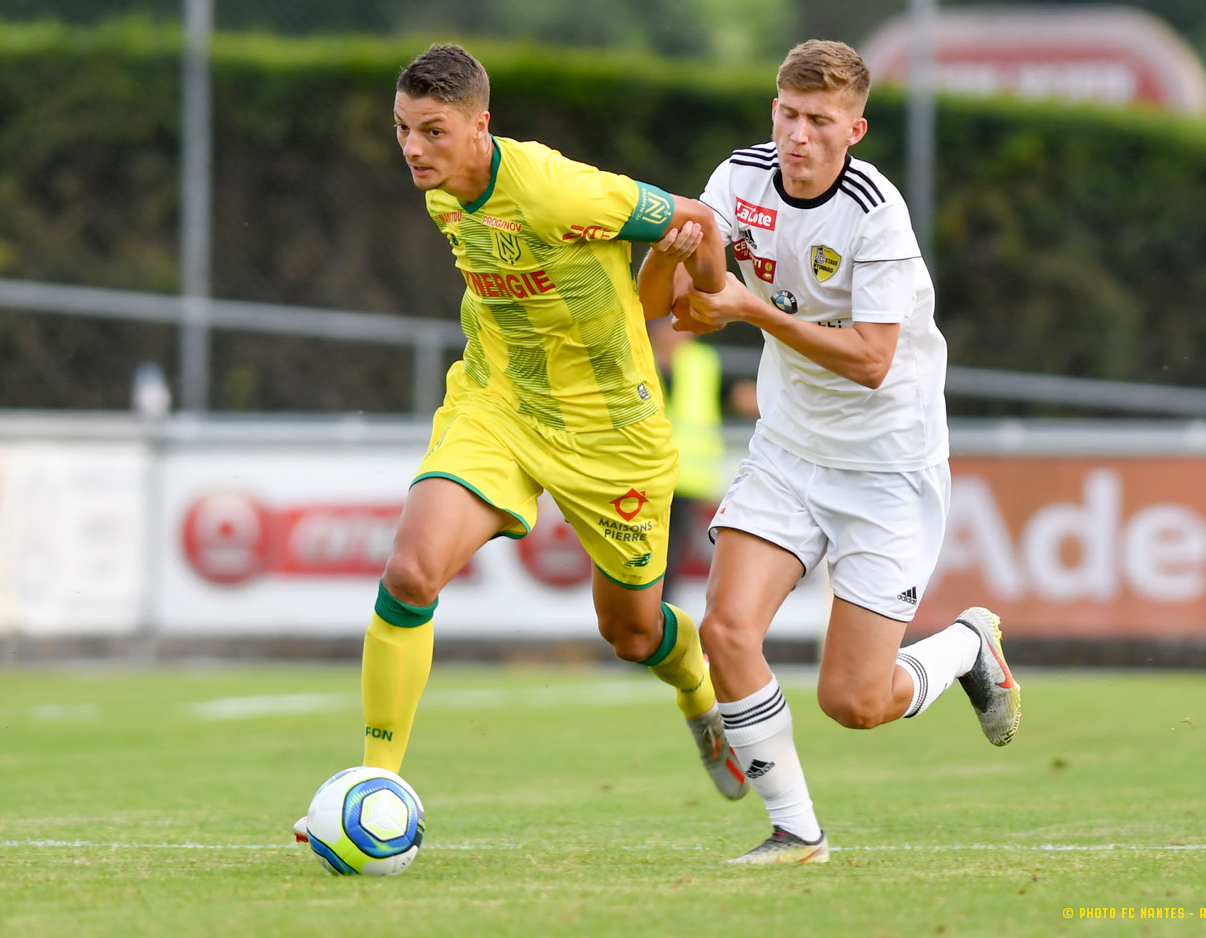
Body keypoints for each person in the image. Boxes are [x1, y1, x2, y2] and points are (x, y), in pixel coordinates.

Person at [335, 43, 749, 808]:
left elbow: (694, 220)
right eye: (403, 129)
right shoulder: (442, 192)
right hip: (499, 405)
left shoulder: (557, 191)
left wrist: (705, 289)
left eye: (432, 131)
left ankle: (696, 687)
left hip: (611, 433)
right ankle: (374, 787)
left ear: (480, 126)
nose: (413, 149)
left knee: (631, 634)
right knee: (410, 573)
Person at [638, 38, 1021, 865]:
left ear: (855, 130)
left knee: (854, 701)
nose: (798, 135)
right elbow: (682, 299)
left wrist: (749, 310)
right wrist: (673, 258)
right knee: (726, 630)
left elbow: (873, 359)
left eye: (819, 120)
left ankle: (965, 645)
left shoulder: (876, 212)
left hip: (887, 467)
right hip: (787, 450)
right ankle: (796, 831)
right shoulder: (738, 178)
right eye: (787, 113)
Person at [645, 316, 724, 608]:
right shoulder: (636, 359)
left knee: (670, 554)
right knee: (642, 554)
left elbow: (729, 395)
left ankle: (658, 615)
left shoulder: (702, 361)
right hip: (644, 477)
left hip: (686, 478)